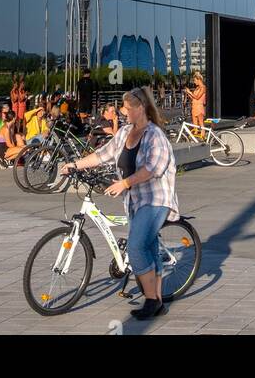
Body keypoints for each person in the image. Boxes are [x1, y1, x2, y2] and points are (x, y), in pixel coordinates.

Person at [62, 87, 179, 321]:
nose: (123, 111)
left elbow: (152, 169)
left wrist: (125, 183)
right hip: (135, 201)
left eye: (127, 106)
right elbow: (101, 155)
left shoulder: (155, 136)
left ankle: (152, 301)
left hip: (155, 199)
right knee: (148, 247)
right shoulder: (125, 132)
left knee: (136, 247)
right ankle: (155, 298)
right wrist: (75, 164)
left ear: (141, 108)